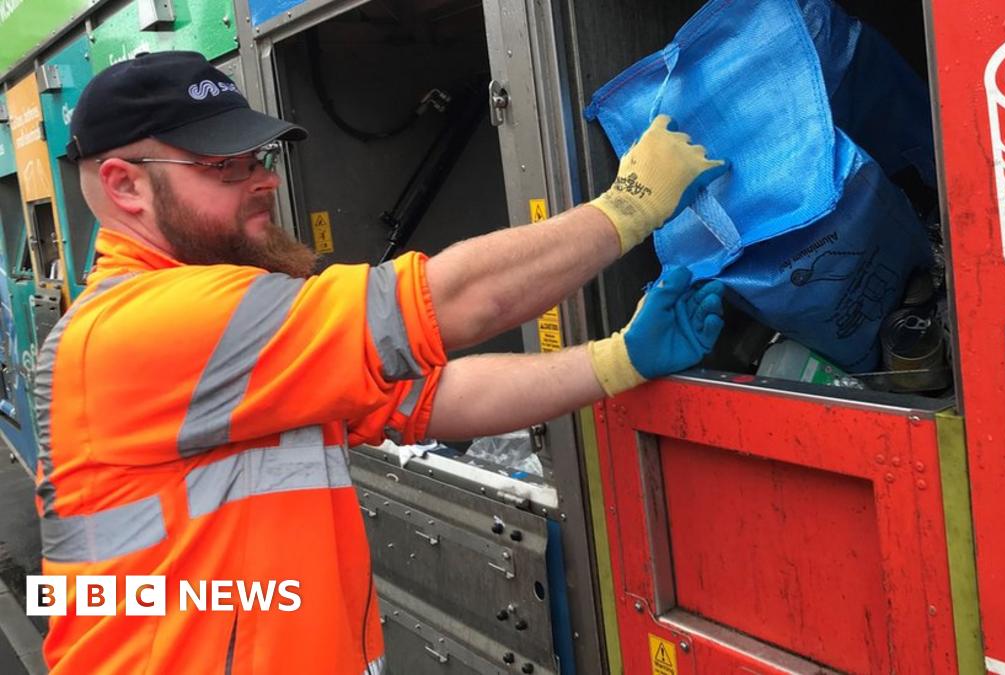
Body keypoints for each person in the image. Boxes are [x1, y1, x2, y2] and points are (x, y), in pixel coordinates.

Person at [34, 50, 725, 674]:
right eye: (224, 167)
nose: (262, 182)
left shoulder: (217, 346)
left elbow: (431, 395)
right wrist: (627, 209)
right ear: (125, 187)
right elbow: (455, 301)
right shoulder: (143, 327)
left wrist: (617, 359)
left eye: (258, 158)